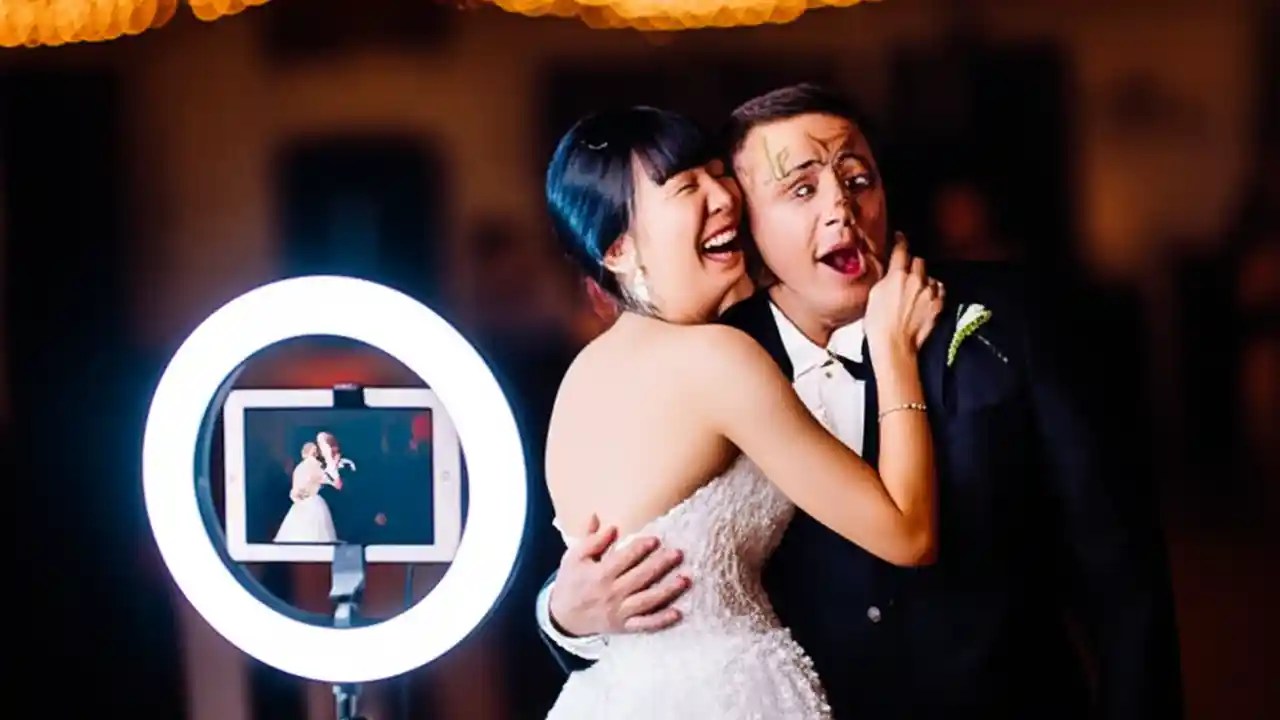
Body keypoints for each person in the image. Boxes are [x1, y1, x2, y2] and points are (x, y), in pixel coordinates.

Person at [538, 85, 1183, 719]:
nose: (840, 209)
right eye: (800, 188)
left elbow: (1122, 570)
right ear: (748, 220)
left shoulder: (1012, 319)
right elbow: (618, 547)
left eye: (858, 178)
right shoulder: (717, 353)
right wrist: (564, 614)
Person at [539, 105, 945, 719]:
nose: (724, 196)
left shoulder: (582, 376)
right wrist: (893, 352)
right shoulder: (716, 359)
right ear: (618, 249)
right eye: (685, 188)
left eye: (715, 172)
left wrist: (560, 614)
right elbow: (908, 533)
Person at [273, 441, 339, 543]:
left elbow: (294, 491)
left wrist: (298, 498)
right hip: (312, 503)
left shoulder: (299, 468)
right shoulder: (315, 466)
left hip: (301, 504)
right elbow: (330, 480)